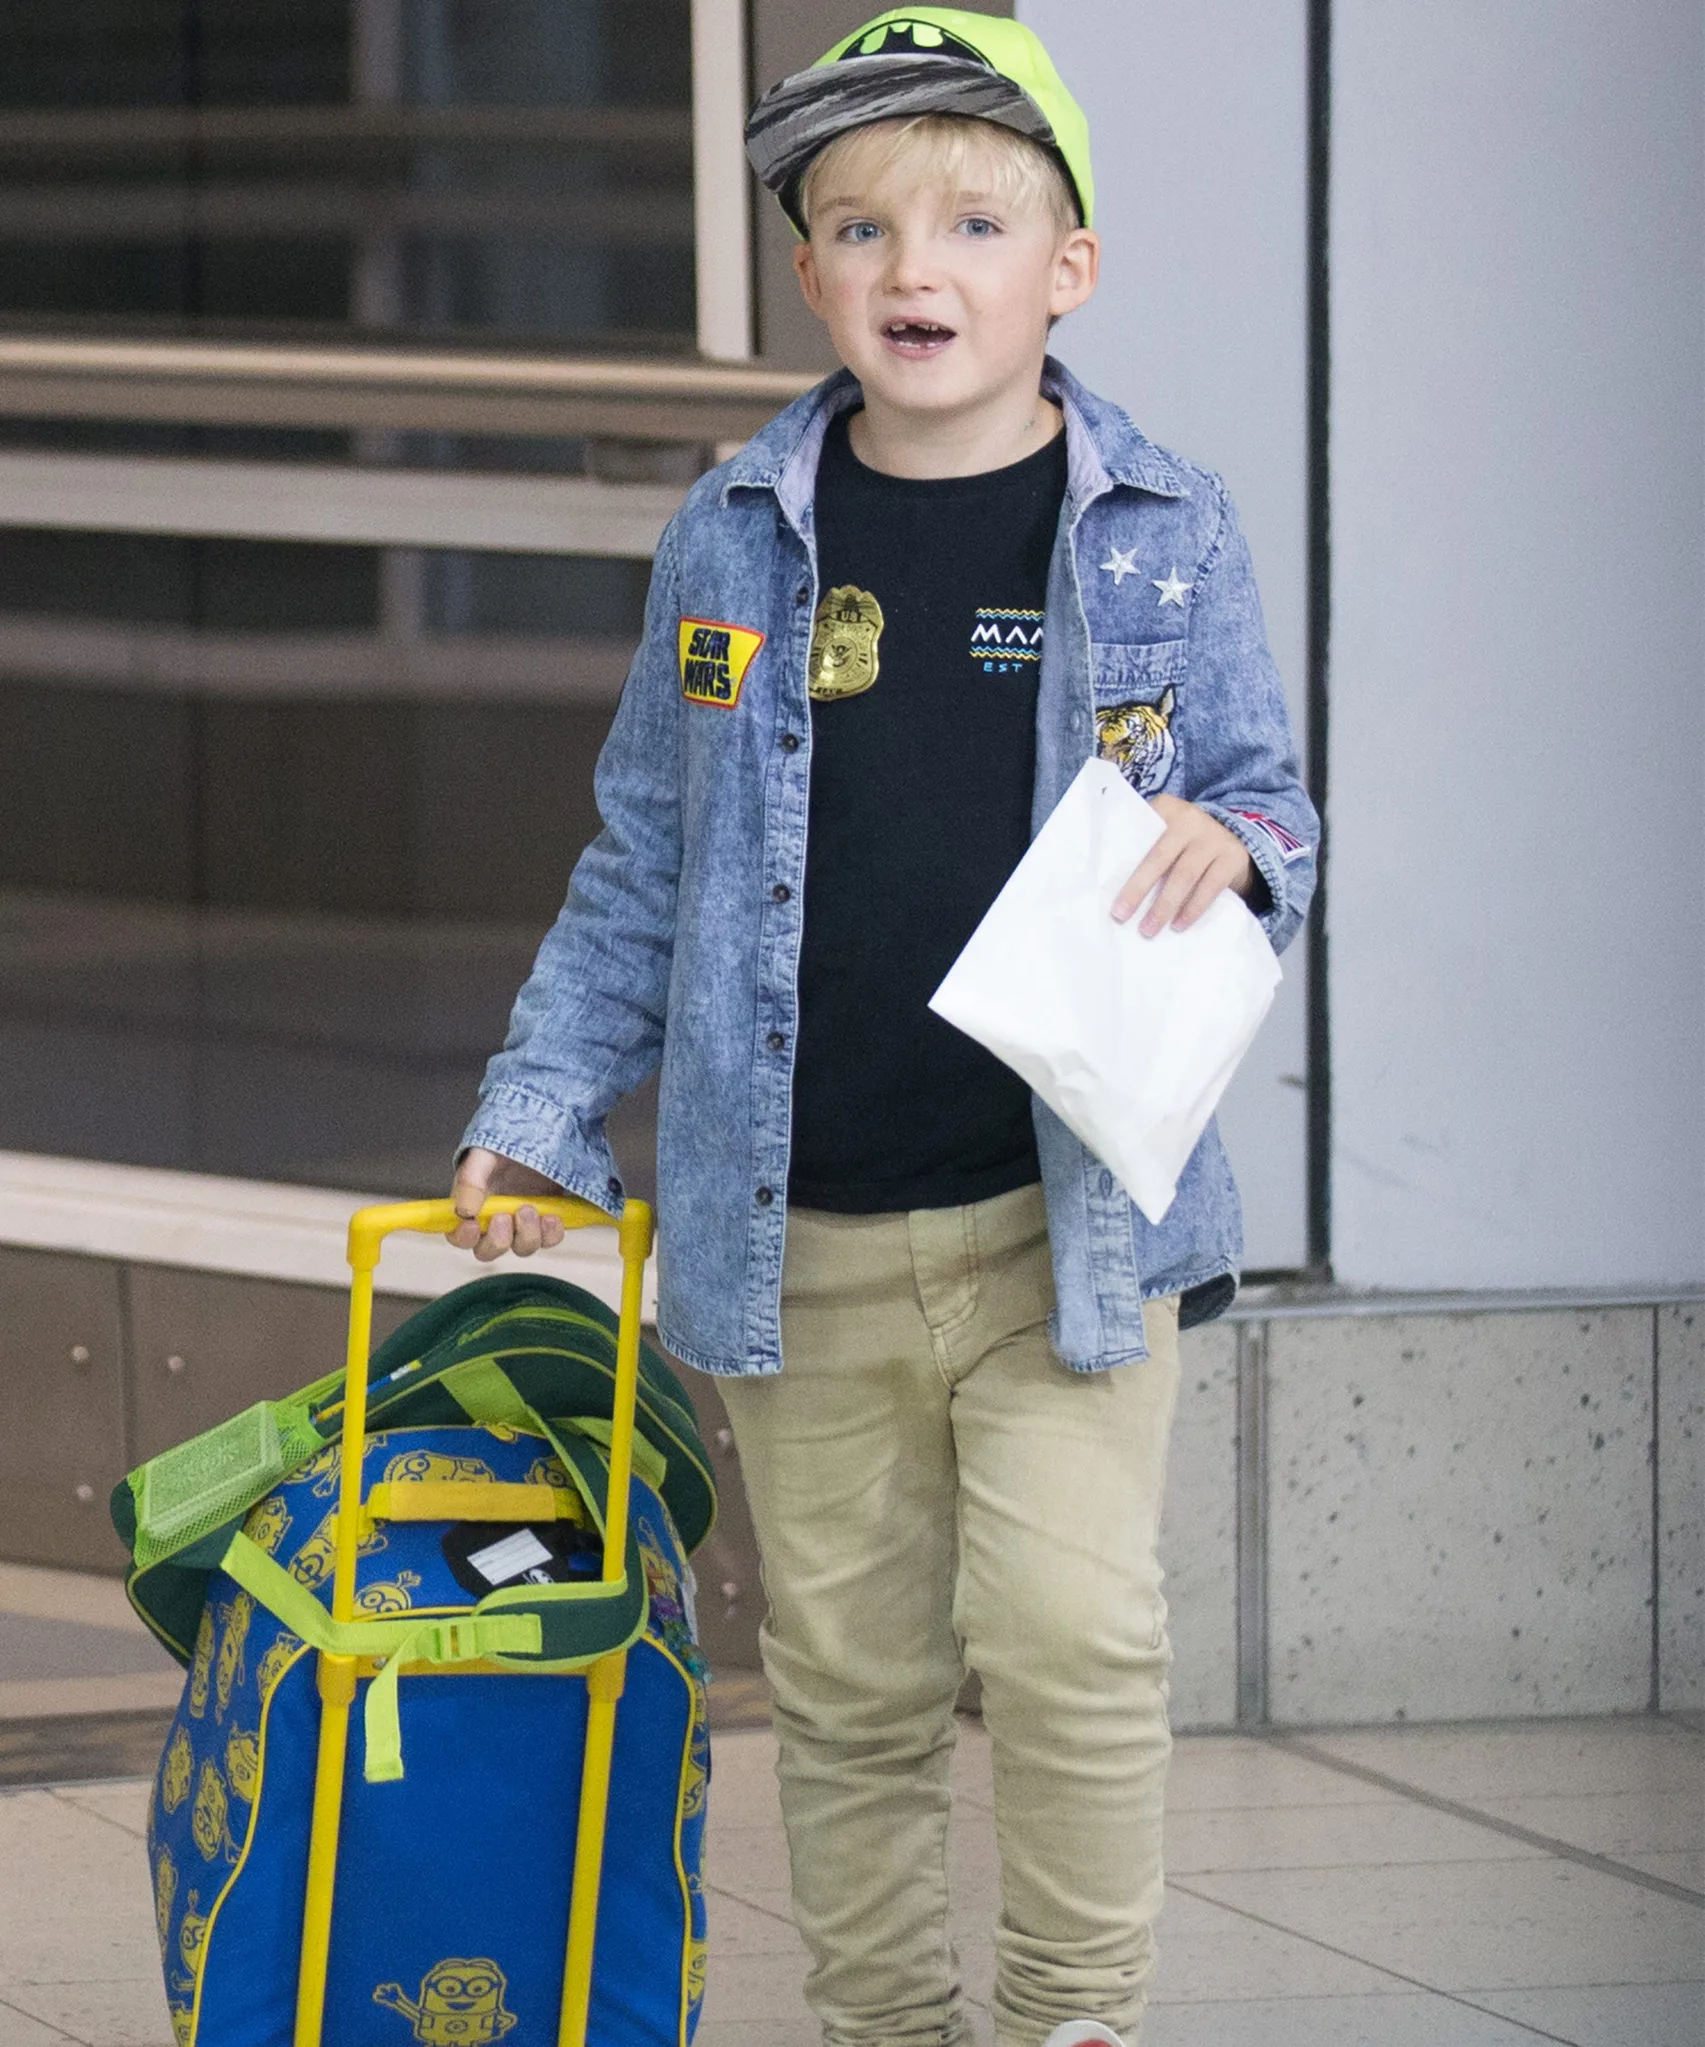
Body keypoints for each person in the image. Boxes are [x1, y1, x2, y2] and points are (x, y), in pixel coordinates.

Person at [449, 11, 1318, 2045]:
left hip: (1069, 1223)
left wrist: (1237, 842)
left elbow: (1273, 799)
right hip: (800, 1240)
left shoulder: (1165, 530)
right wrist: (539, 1115)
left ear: (1066, 267)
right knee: (845, 1683)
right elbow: (641, 861)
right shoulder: (736, 531)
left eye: (975, 220)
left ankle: (1074, 2015)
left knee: (1074, 1632)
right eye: (859, 226)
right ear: (813, 274)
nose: (915, 268)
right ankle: (887, 2023)